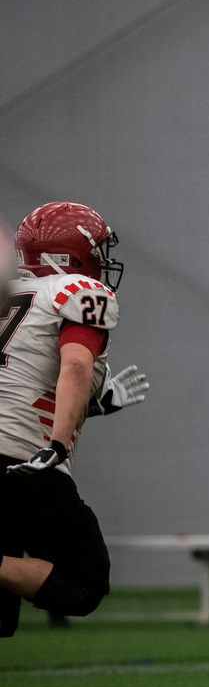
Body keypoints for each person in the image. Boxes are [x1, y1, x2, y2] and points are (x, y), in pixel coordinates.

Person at [1, 202, 149, 636]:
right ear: (67, 255)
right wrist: (58, 444)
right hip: (20, 459)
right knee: (85, 583)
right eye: (97, 249)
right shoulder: (75, 290)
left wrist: (93, 405)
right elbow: (77, 364)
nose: (102, 260)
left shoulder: (11, 294)